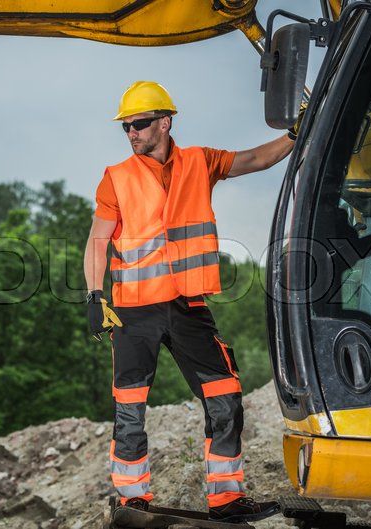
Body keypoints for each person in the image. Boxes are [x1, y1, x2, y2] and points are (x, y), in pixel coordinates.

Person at [83, 81, 300, 522]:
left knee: (225, 397)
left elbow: (258, 159)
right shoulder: (116, 178)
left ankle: (227, 499)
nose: (132, 133)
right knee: (130, 406)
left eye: (139, 124)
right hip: (132, 312)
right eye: (126, 127)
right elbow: (97, 240)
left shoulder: (200, 161)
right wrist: (93, 295)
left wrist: (297, 133)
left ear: (165, 122)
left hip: (187, 306)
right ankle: (132, 501)